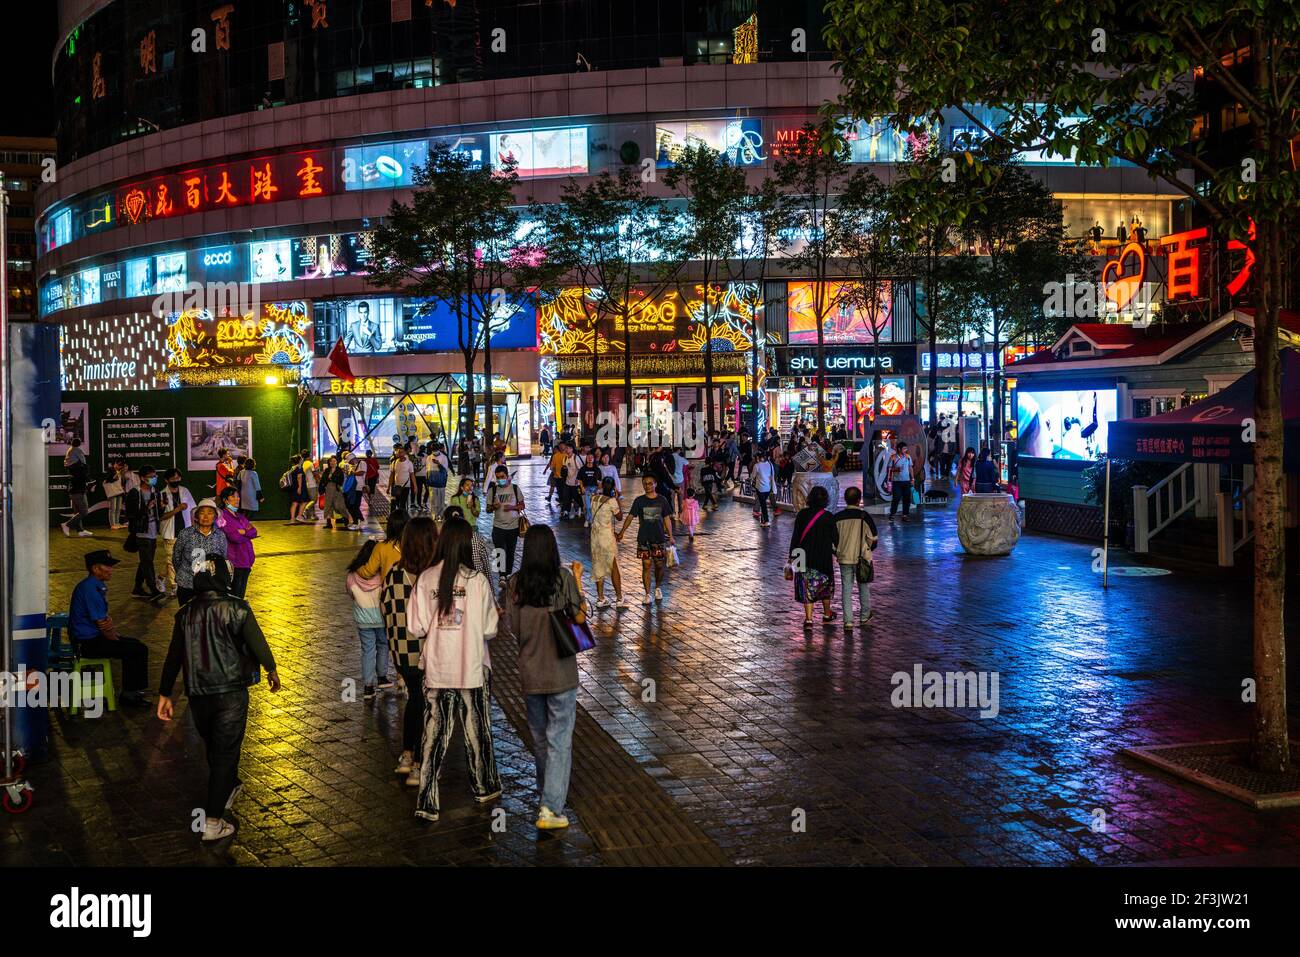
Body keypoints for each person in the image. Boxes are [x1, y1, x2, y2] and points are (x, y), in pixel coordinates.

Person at [157, 557, 281, 842]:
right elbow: (257, 642)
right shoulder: (237, 608)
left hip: (199, 695)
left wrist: (165, 693)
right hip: (231, 693)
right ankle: (212, 821)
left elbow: (173, 656)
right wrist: (271, 669)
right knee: (224, 752)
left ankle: (227, 788)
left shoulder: (185, 614)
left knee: (216, 748)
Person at [406, 519, 502, 822]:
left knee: (433, 738)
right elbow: (489, 628)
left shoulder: (425, 578)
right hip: (472, 667)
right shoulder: (477, 581)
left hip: (437, 668)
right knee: (478, 732)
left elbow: (414, 626)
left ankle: (427, 801)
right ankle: (483, 787)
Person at [500, 525, 585, 830]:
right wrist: (577, 581)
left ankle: (545, 798)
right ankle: (550, 807)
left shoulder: (515, 585)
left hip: (530, 672)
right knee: (559, 740)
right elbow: (578, 618)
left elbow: (514, 629)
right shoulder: (562, 578)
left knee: (539, 738)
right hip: (561, 672)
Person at [382, 515, 439, 787]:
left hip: (401, 651)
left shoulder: (394, 572)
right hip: (429, 651)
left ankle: (406, 755)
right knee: (428, 705)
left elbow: (386, 608)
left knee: (415, 700)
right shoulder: (433, 574)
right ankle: (419, 763)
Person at [68, 549, 151, 708]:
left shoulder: (94, 586)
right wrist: (115, 639)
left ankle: (133, 690)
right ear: (95, 569)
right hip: (86, 643)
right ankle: (129, 695)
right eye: (107, 566)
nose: (111, 570)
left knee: (135, 645)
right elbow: (103, 623)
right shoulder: (91, 589)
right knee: (136, 650)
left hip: (91, 637)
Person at [616, 475, 675, 605]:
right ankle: (647, 593)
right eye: (645, 484)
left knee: (659, 565)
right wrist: (622, 532)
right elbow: (630, 516)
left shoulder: (662, 500)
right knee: (646, 565)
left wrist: (671, 536)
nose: (647, 486)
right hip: (643, 539)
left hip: (659, 538)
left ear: (655, 484)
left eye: (650, 483)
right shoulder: (639, 501)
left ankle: (658, 587)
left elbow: (666, 519)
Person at [346, 540, 394, 700]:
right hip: (381, 618)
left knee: (367, 651)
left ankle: (368, 686)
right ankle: (382, 677)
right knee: (383, 645)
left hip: (363, 620)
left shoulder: (352, 575)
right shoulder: (382, 574)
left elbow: (351, 594)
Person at [788, 485, 838, 630]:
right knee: (825, 587)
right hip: (823, 557)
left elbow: (796, 537)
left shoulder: (802, 515)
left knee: (806, 587)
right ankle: (827, 614)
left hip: (803, 557)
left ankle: (809, 620)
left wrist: (791, 556)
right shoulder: (828, 517)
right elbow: (836, 539)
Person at [834, 486, 878, 631]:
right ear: (859, 500)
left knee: (846, 588)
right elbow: (873, 539)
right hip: (862, 558)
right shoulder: (864, 517)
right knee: (863, 586)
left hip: (844, 557)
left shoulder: (837, 518)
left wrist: (837, 552)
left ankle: (848, 621)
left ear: (845, 499)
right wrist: (867, 549)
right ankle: (864, 615)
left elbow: (832, 541)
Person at [173, 498, 228, 606]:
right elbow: (176, 557)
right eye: (202, 513)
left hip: (210, 586)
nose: (206, 517)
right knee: (187, 618)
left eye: (210, 513)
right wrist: (183, 573)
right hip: (187, 584)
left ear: (215, 516)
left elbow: (223, 558)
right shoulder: (185, 533)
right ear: (197, 516)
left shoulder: (220, 536)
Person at [124, 466, 165, 602]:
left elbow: (158, 512)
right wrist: (146, 507)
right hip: (141, 532)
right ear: (142, 478)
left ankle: (137, 588)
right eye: (150, 476)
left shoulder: (155, 491)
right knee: (147, 561)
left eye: (155, 476)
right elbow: (131, 514)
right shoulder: (135, 493)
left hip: (153, 530)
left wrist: (161, 507)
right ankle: (154, 589)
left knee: (146, 561)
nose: (153, 479)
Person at [589, 476, 627, 609]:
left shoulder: (593, 499)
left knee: (598, 564)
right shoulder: (611, 501)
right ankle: (619, 598)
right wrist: (617, 499)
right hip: (606, 537)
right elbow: (620, 517)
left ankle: (600, 598)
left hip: (595, 537)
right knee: (613, 565)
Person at [216, 487, 258, 599]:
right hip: (235, 562)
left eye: (238, 496)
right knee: (235, 595)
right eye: (233, 496)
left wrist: (243, 531)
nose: (237, 499)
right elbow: (233, 537)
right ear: (225, 500)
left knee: (241, 594)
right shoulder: (222, 517)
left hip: (246, 560)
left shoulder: (240, 516)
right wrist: (246, 533)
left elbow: (254, 532)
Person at [486, 464, 526, 576]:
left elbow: (522, 505)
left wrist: (512, 507)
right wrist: (494, 506)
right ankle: (501, 576)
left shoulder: (515, 488)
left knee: (510, 553)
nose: (500, 480)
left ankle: (508, 574)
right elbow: (488, 510)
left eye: (502, 477)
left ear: (507, 476)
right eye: (498, 477)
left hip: (513, 527)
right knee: (499, 552)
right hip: (498, 527)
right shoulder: (492, 490)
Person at [61, 439, 94, 537]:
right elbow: (84, 471)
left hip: (75, 491)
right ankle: (66, 525)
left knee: (77, 512)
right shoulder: (79, 467)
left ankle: (80, 531)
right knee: (84, 512)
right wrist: (90, 482)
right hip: (78, 492)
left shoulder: (71, 467)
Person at [887, 441, 914, 522]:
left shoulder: (908, 457)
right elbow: (889, 469)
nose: (906, 450)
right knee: (896, 498)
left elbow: (910, 468)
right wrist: (897, 469)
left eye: (906, 448)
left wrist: (912, 478)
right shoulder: (893, 457)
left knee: (907, 498)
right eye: (904, 448)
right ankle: (892, 514)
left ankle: (905, 515)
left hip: (906, 481)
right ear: (899, 449)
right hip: (897, 482)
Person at [577, 451, 601, 527]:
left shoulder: (597, 469)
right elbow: (579, 480)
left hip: (594, 489)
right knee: (587, 506)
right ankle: (588, 520)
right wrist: (582, 488)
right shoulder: (582, 469)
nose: (590, 459)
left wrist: (597, 490)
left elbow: (599, 482)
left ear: (594, 459)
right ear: (586, 459)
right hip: (585, 489)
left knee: (593, 506)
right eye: (588, 457)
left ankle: (590, 520)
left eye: (592, 457)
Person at [752, 450, 775, 527]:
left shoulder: (757, 466)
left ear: (759, 457)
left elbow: (753, 476)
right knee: (763, 503)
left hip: (760, 488)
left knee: (763, 504)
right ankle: (763, 520)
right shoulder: (770, 464)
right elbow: (772, 475)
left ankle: (766, 521)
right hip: (768, 488)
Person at [428, 443, 450, 516]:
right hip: (432, 482)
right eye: (433, 450)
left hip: (441, 482)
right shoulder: (429, 458)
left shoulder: (443, 457)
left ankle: (440, 514)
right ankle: (434, 515)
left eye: (435, 449)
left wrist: (439, 464)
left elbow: (445, 470)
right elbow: (427, 471)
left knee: (441, 499)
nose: (434, 451)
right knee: (432, 499)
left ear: (439, 449)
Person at [389, 446, 414, 514]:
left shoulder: (409, 463)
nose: (400, 454)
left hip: (406, 486)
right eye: (399, 452)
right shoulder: (394, 462)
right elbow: (391, 475)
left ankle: (403, 518)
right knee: (395, 503)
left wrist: (415, 487)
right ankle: (396, 517)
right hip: (396, 486)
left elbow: (412, 475)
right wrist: (389, 487)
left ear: (405, 453)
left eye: (402, 452)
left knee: (403, 504)